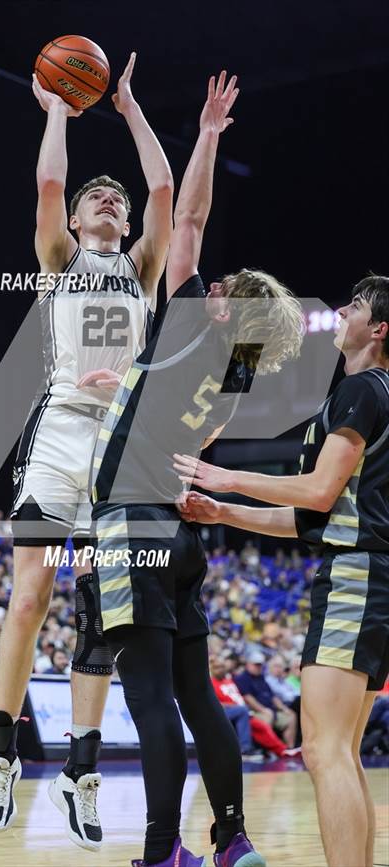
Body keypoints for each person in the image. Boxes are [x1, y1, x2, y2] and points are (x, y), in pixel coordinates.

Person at [90, 72, 304, 867]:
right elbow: (200, 434)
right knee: (198, 700)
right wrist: (134, 392)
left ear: (224, 309)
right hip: (180, 534)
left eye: (222, 288)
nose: (211, 282)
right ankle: (232, 838)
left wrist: (209, 133)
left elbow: (188, 212)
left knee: (150, 703)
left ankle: (159, 852)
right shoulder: (235, 374)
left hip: (131, 523)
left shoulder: (188, 317)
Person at [0, 52, 174, 850]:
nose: (106, 198)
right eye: (98, 194)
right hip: (61, 433)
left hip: (118, 447)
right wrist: (58, 106)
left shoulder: (141, 265)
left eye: (114, 199)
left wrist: (127, 108)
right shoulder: (63, 260)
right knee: (31, 596)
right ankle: (1, 748)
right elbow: (49, 188)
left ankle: (82, 765)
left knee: (103, 614)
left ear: (125, 224)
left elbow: (162, 189)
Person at [175, 273, 389, 867]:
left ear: (379, 329)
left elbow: (318, 493)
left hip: (357, 576)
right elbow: (307, 521)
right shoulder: (375, 393)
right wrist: (224, 511)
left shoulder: (364, 390)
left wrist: (226, 477)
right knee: (341, 750)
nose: (342, 310)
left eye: (357, 306)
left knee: (322, 750)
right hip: (366, 574)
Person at [210, 655, 300, 760]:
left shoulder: (229, 681)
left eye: (222, 666)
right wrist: (238, 707)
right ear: (210, 669)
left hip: (244, 711)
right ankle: (246, 748)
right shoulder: (210, 683)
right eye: (216, 667)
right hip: (227, 712)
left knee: (261, 726)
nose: (220, 669)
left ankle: (283, 750)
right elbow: (213, 703)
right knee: (254, 716)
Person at [234, 651, 297, 747]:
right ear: (248, 664)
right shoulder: (242, 678)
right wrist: (263, 710)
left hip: (271, 709)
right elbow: (248, 699)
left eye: (260, 665)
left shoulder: (261, 677)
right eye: (256, 664)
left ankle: (289, 748)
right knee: (268, 716)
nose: (258, 667)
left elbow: (272, 697)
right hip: (254, 711)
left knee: (291, 716)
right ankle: (269, 749)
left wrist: (284, 709)